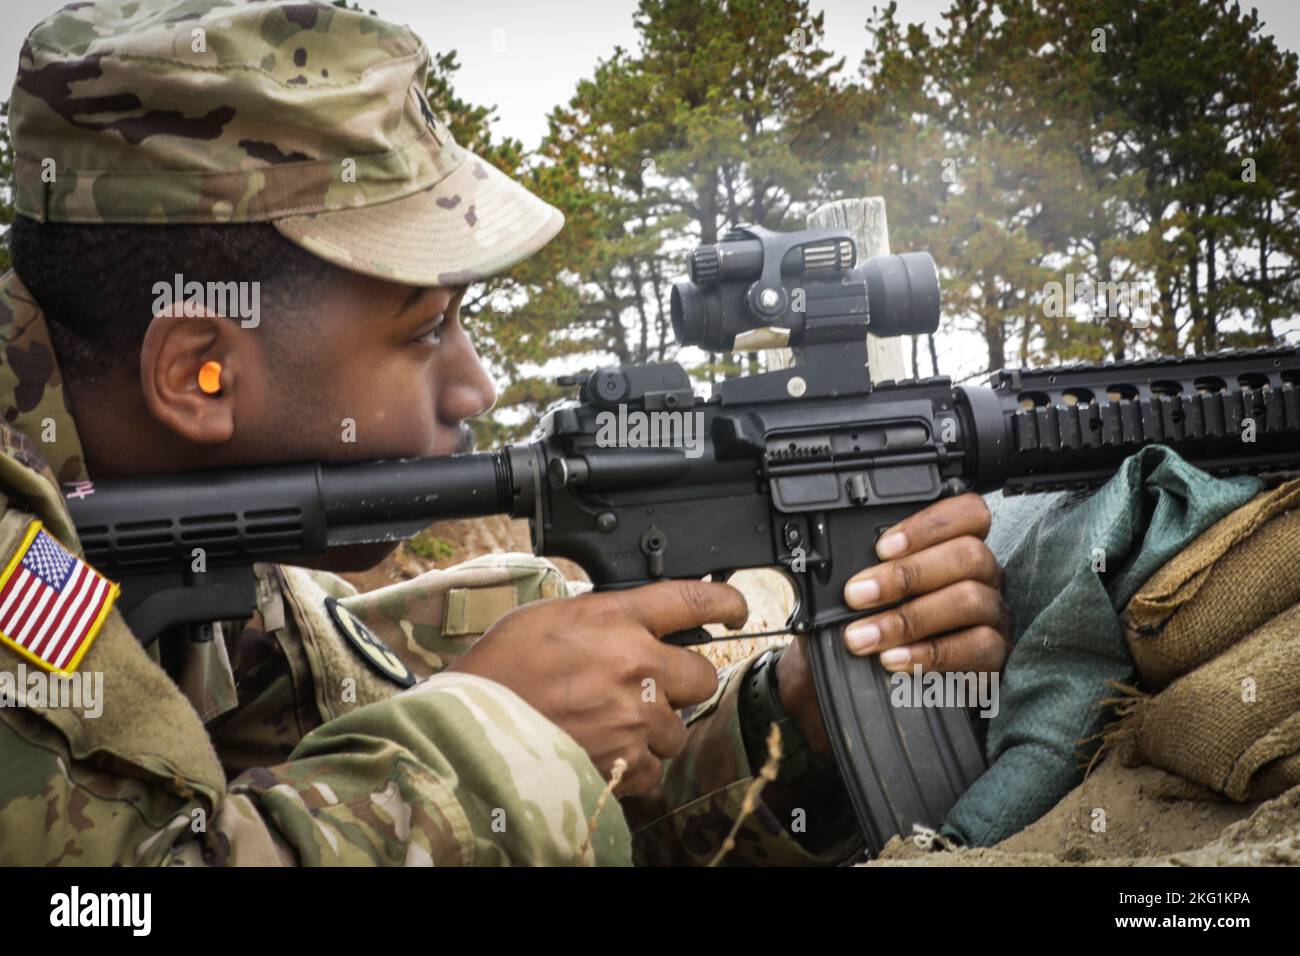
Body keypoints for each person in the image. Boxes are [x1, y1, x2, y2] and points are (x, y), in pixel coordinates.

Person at [0, 0, 1012, 866]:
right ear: (198, 373)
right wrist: (490, 738)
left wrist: (795, 716)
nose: (477, 381)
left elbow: (338, 779)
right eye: (426, 327)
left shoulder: (199, 559)